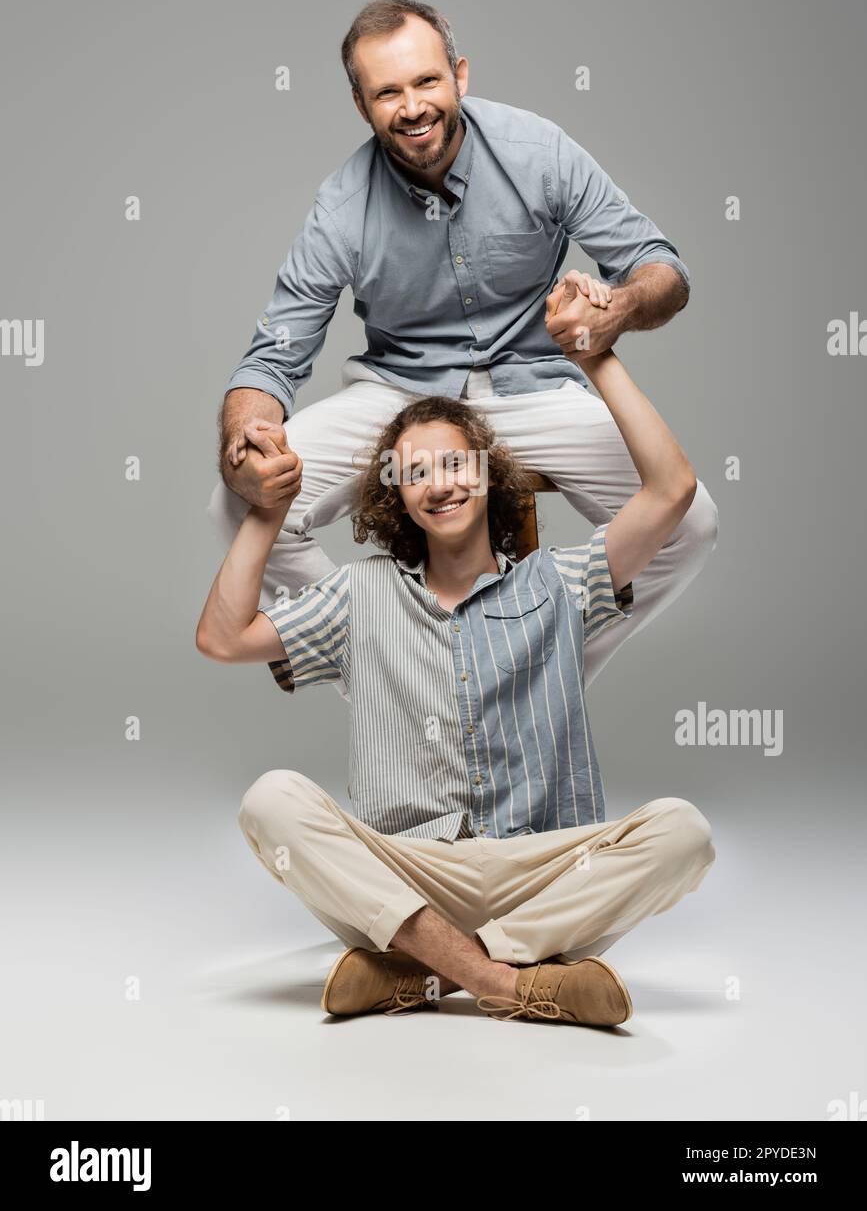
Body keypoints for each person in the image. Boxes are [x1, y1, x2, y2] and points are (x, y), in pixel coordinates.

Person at [196, 297, 716, 1028]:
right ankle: (511, 983)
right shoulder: (359, 593)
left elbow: (673, 492)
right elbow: (222, 639)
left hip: (545, 871)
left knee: (682, 831)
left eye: (453, 462)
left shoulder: (561, 583)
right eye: (416, 474)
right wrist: (267, 511)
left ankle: (424, 972)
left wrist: (596, 359)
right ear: (398, 500)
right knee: (270, 799)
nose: (439, 482)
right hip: (408, 872)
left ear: (485, 471)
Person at [207, 0, 718, 697]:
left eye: (425, 81)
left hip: (535, 387)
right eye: (387, 92)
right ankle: (403, 671)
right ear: (361, 105)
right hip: (402, 396)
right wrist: (244, 442)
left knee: (691, 523)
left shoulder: (538, 152)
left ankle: (536, 685)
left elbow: (662, 270)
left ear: (460, 75)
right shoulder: (340, 207)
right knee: (235, 506)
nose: (412, 107)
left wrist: (617, 311)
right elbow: (272, 358)